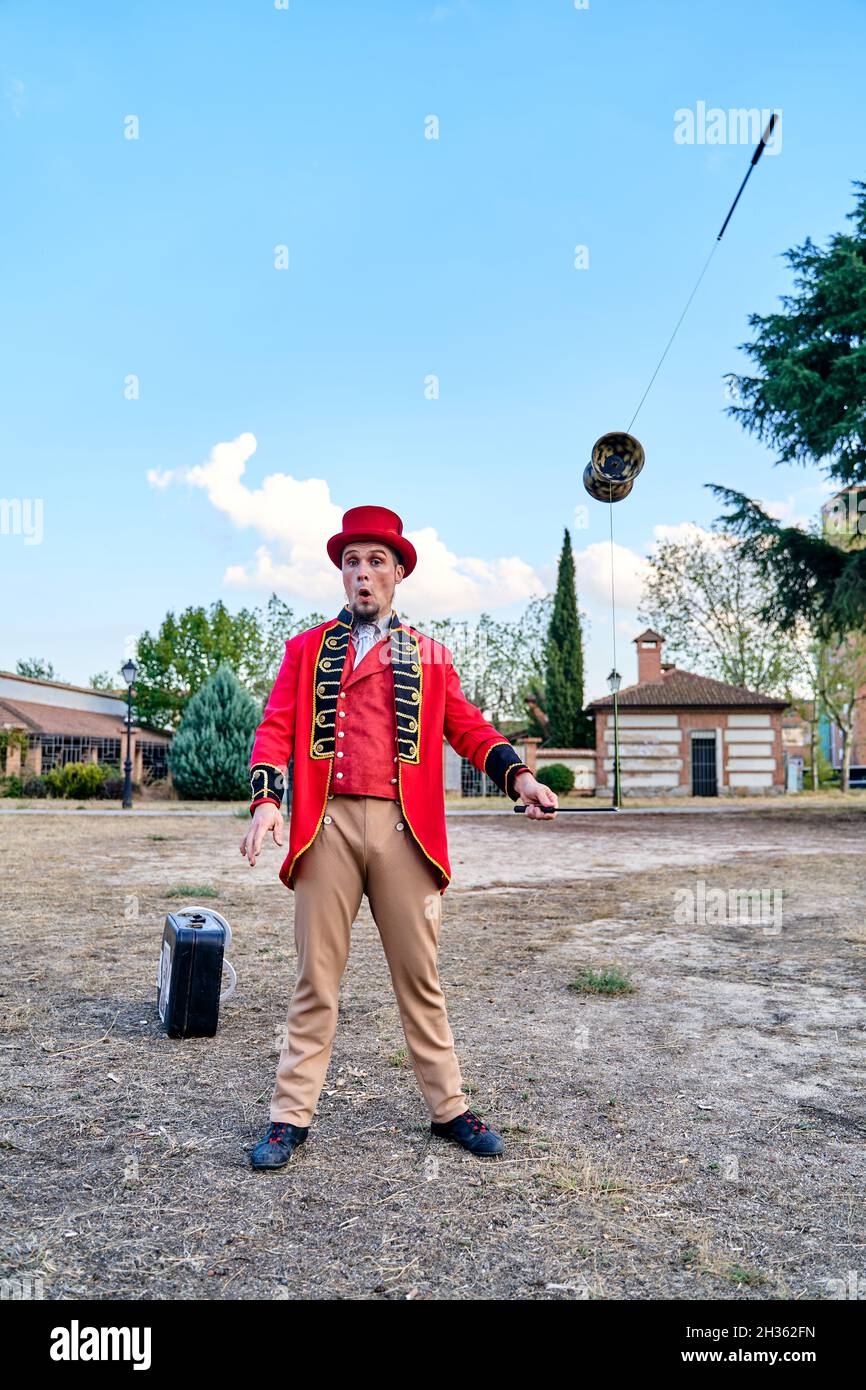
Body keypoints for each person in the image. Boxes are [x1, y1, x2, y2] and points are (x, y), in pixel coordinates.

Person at [240, 505, 558, 1169]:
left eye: (376, 562)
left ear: (398, 574)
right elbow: (274, 729)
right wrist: (268, 802)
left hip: (403, 829)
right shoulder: (305, 650)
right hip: (324, 826)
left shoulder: (431, 655)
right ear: (342, 573)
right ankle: (288, 1117)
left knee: (421, 977)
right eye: (352, 562)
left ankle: (448, 1108)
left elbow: (466, 726)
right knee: (315, 979)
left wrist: (520, 777)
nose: (362, 573)